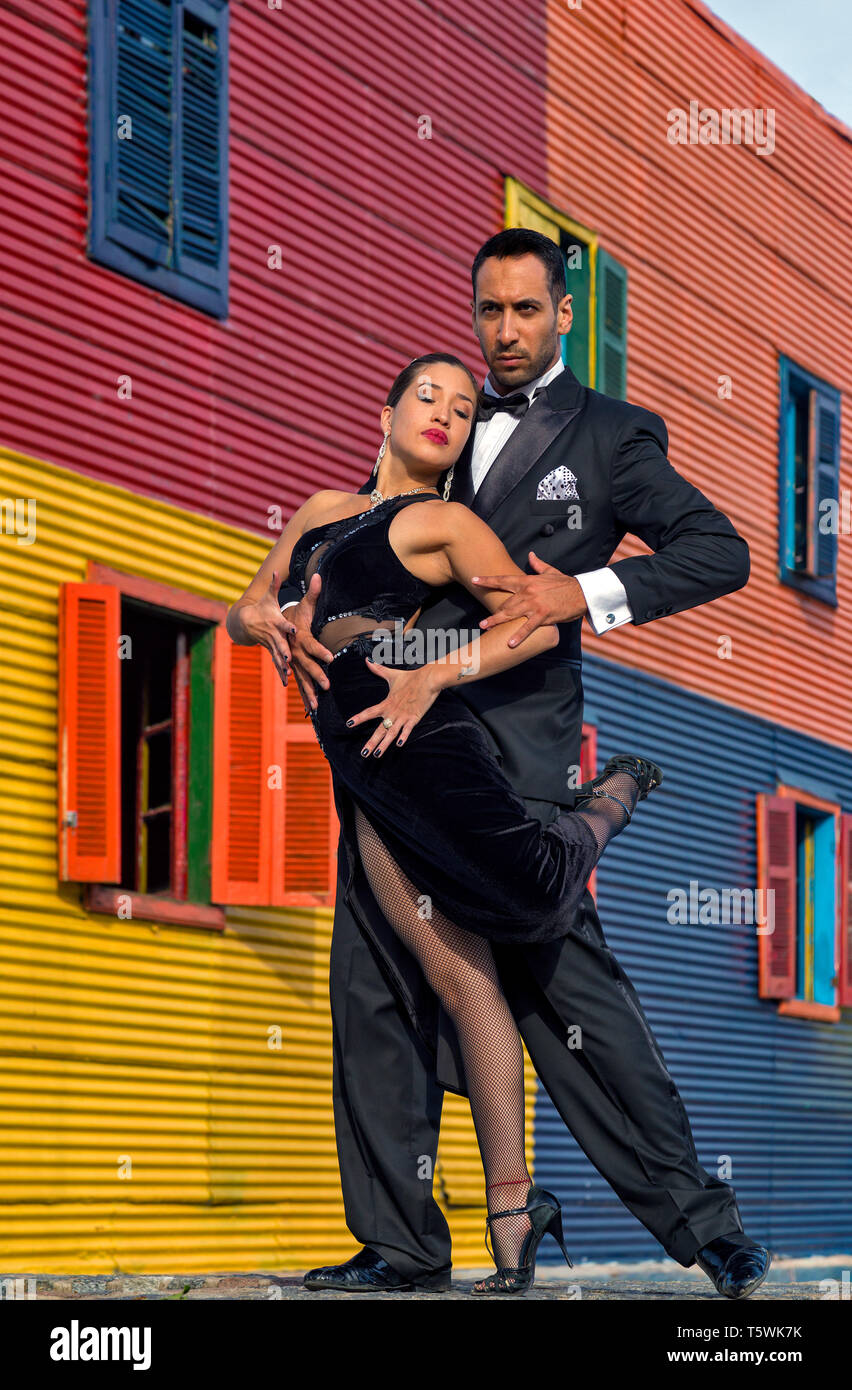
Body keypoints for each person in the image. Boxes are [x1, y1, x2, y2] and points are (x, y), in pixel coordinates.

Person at [266, 229, 771, 1301]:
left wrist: (580, 593)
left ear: (564, 314)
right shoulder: (431, 441)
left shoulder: (613, 437)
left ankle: (706, 1223)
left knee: (579, 1010)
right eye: (489, 310)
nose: (504, 332)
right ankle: (401, 1244)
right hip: (392, 763)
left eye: (526, 311)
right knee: (374, 996)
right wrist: (277, 618)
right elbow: (344, 555)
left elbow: (717, 552)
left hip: (520, 764)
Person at [227, 350, 665, 1293]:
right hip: (362, 768)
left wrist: (433, 670)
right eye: (428, 397)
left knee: (530, 896)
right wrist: (261, 617)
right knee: (454, 974)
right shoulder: (316, 514)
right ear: (385, 410)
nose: (445, 416)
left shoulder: (446, 522)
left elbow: (537, 620)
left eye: (464, 411)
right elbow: (246, 603)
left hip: (421, 744)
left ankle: (611, 796)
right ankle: (505, 1214)